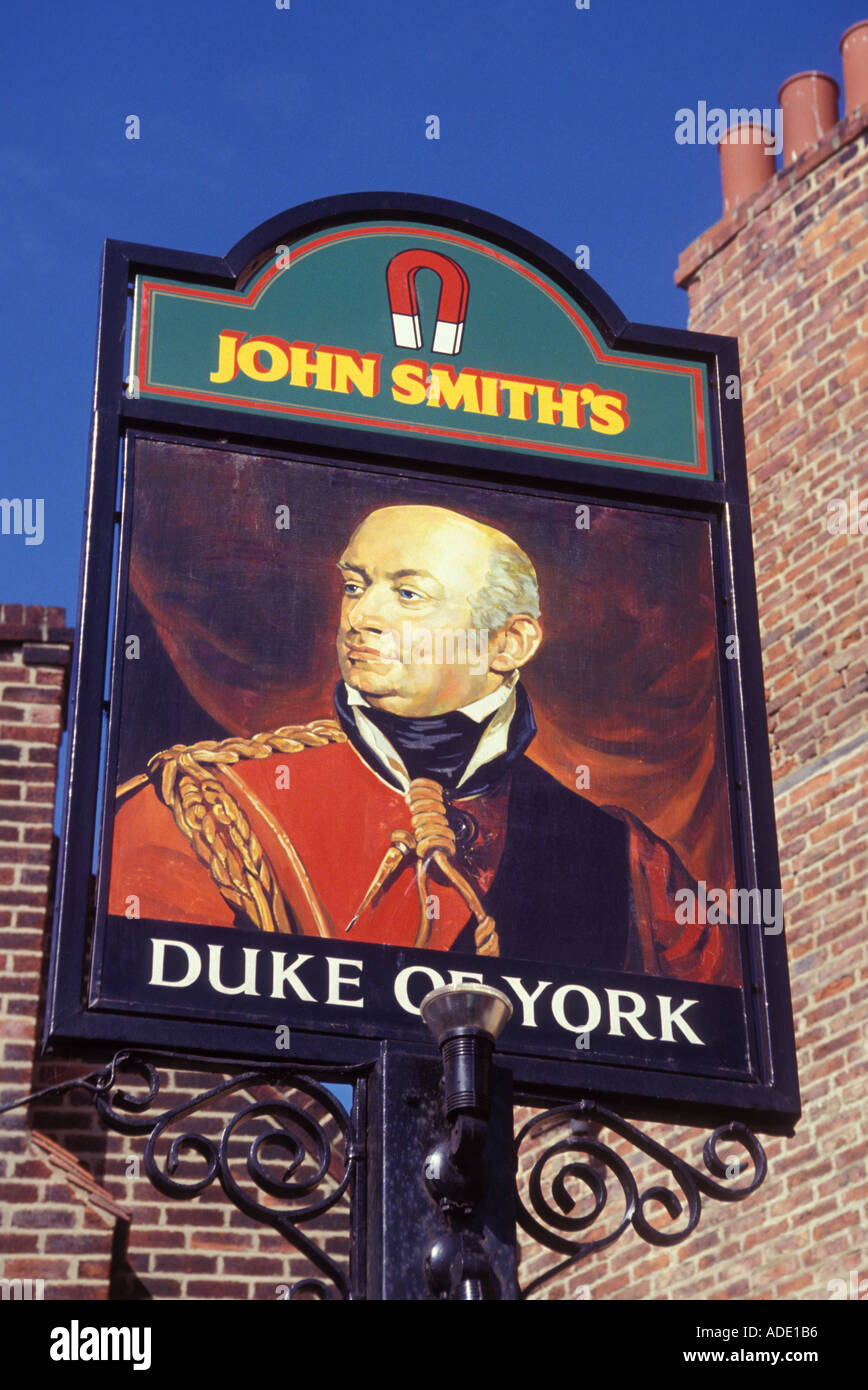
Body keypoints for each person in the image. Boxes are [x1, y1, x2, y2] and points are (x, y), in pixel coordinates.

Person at [109, 505, 739, 984]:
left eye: (408, 594)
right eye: (355, 586)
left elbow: (708, 1035)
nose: (361, 616)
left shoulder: (626, 861)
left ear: (509, 644)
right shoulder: (202, 813)